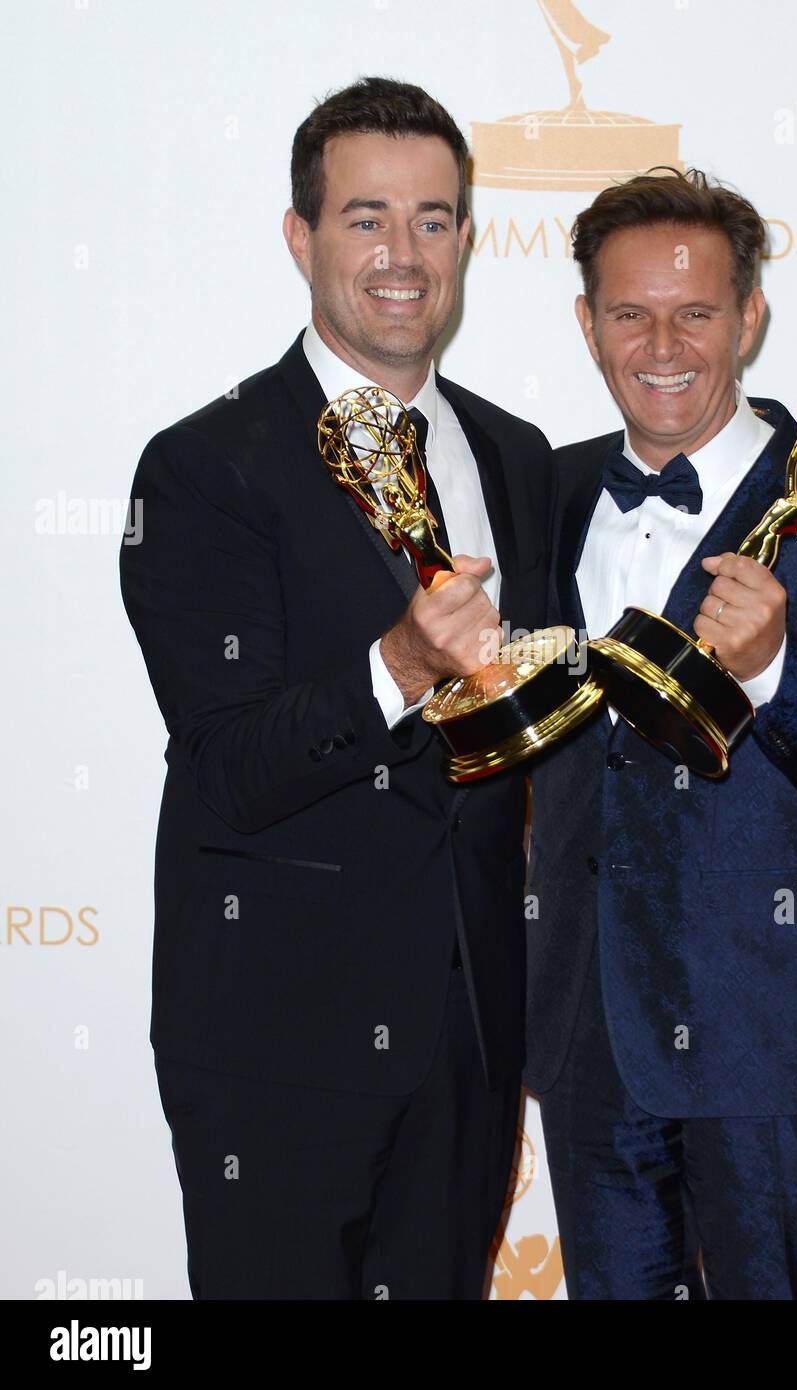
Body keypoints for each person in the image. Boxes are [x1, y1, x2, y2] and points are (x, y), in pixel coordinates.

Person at [119, 77, 553, 1300]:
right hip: (275, 1045)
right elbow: (227, 762)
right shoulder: (206, 464)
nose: (403, 255)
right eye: (366, 219)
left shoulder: (513, 454)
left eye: (432, 219)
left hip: (469, 1041)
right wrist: (402, 665)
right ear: (301, 237)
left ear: (467, 237)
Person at [525, 168, 797, 1299]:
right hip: (589, 1039)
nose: (663, 342)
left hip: (772, 1049)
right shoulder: (543, 494)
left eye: (696, 311)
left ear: (750, 317)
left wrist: (779, 671)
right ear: (586, 322)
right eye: (629, 312)